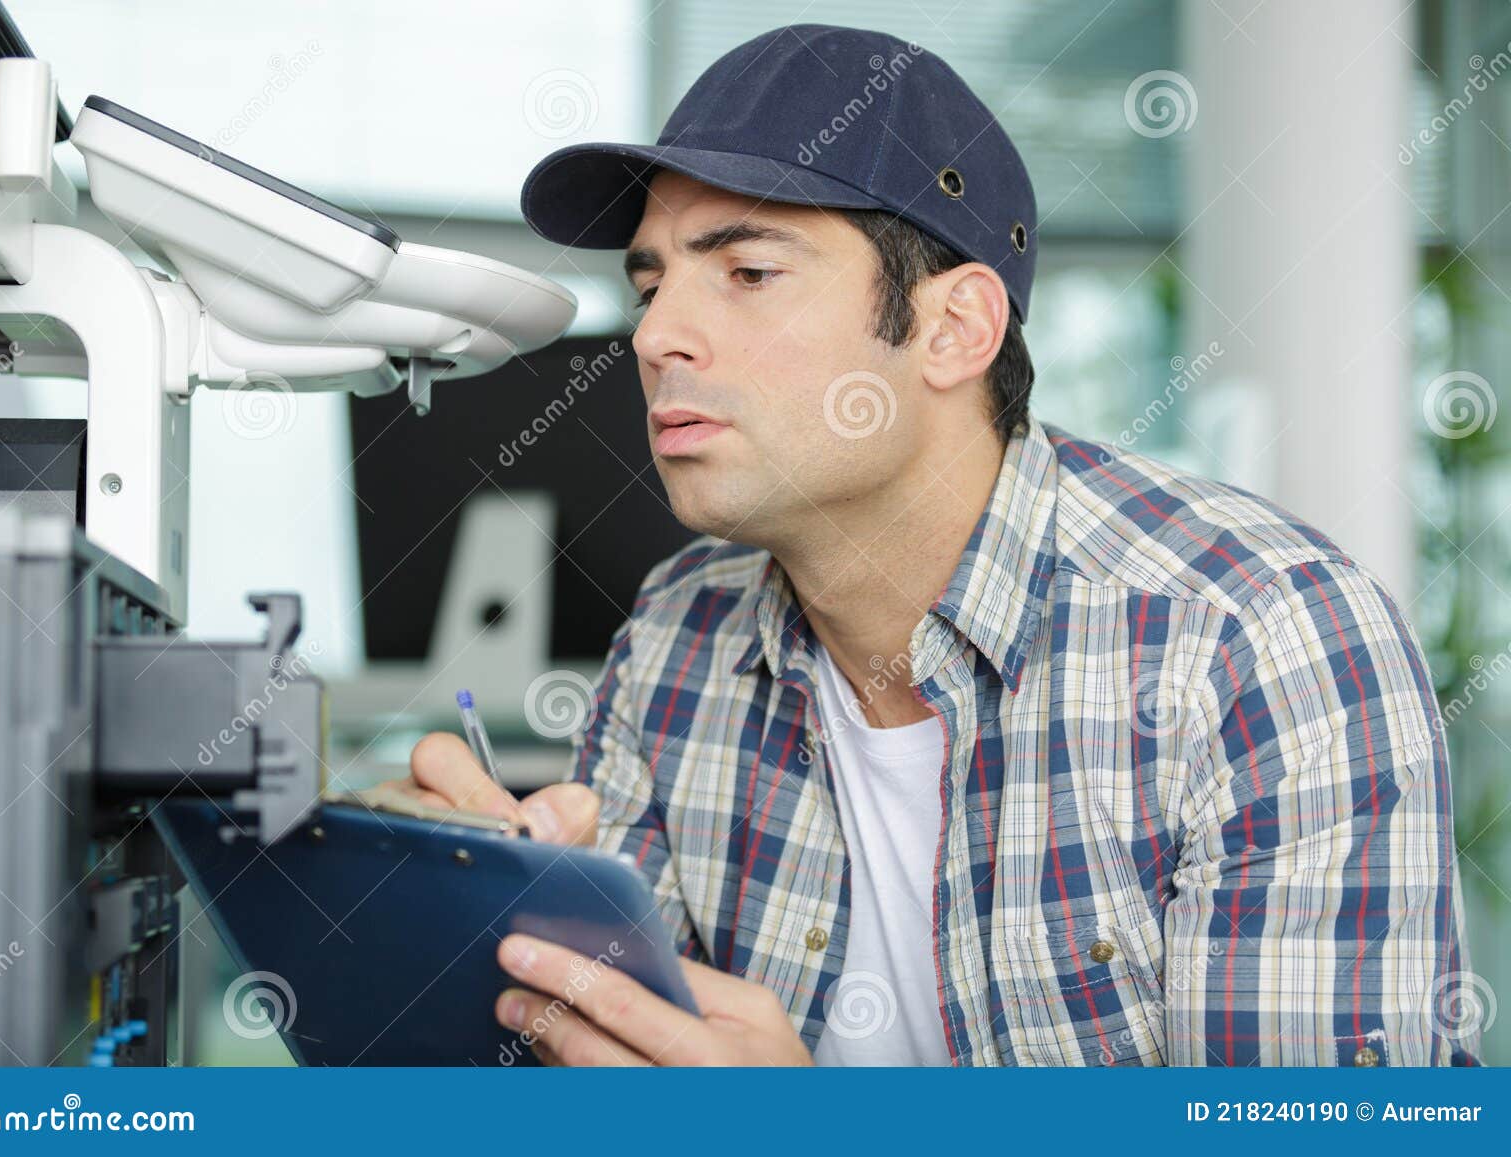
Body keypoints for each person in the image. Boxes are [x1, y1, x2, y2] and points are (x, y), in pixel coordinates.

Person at [380, 24, 1476, 1067]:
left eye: (746, 272)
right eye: (652, 283)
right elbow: (599, 1070)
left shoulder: (1258, 635)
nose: (656, 335)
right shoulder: (676, 630)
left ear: (955, 330)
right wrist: (461, 925)